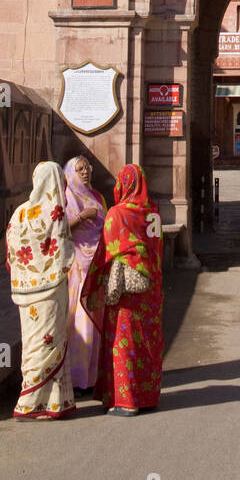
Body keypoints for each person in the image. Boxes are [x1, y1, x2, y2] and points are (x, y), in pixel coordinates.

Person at [82, 164, 163, 416]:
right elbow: (157, 248)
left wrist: (93, 283)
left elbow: (105, 250)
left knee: (123, 343)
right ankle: (147, 396)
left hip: (125, 292)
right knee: (147, 343)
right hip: (150, 287)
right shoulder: (153, 212)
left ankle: (126, 400)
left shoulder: (117, 214)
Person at [5, 160, 75, 420]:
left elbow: (10, 251)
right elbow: (65, 253)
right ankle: (46, 403)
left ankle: (30, 398)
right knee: (51, 343)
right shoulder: (55, 212)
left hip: (25, 294)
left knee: (33, 343)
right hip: (51, 291)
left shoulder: (20, 212)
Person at [63, 155, 106, 394]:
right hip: (79, 266)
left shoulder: (97, 196)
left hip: (97, 262)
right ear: (71, 173)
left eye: (87, 168)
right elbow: (61, 229)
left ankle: (93, 374)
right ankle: (78, 377)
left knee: (96, 317)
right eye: (79, 169)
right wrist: (82, 216)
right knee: (81, 319)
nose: (85, 173)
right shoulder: (68, 197)